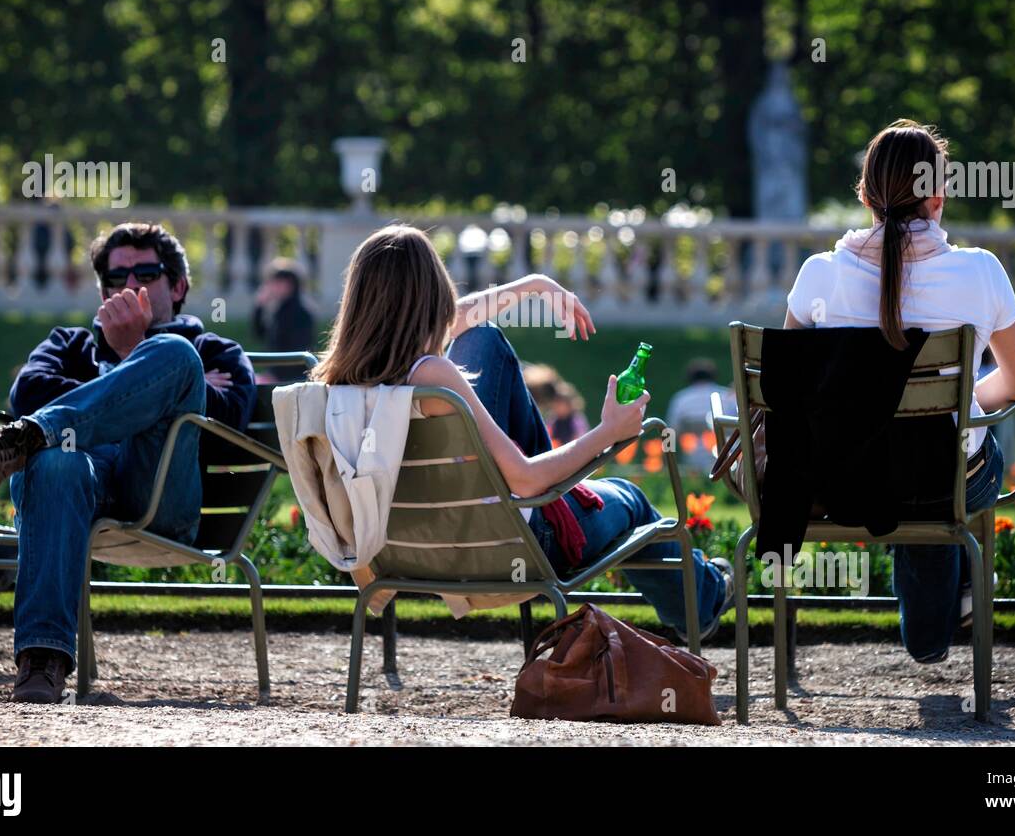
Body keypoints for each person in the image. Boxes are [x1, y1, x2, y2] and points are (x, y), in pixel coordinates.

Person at [310, 225, 735, 643]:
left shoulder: (335, 387)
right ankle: (708, 599)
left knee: (483, 336)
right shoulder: (433, 376)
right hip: (510, 544)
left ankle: (702, 593)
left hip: (402, 551)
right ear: (432, 294)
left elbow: (451, 323)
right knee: (634, 502)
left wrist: (532, 285)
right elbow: (526, 480)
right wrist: (608, 432)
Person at [0, 222, 256, 704]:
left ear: (177, 286)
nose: (129, 287)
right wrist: (133, 399)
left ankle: (24, 439)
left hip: (158, 500)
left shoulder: (212, 353)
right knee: (54, 465)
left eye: (145, 274)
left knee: (173, 355)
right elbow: (27, 391)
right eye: (115, 279)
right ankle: (42, 659)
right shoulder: (69, 344)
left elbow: (228, 424)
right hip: (77, 491)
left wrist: (137, 354)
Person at [783, 119, 1015, 665]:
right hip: (942, 476)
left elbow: (788, 391)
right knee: (943, 457)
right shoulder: (982, 271)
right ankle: (960, 586)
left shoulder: (817, 275)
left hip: (848, 477)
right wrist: (954, 406)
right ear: (939, 197)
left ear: (865, 197)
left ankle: (938, 614)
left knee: (890, 453)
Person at [665, 358, 737, 468]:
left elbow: (670, 431)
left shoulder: (680, 398)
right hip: (727, 454)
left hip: (692, 456)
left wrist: (667, 459)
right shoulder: (726, 395)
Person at [252, 257, 316, 360]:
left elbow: (297, 351)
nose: (272, 287)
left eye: (277, 282)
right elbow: (260, 334)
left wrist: (275, 375)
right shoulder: (280, 310)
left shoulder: (300, 312)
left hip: (292, 374)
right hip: (277, 371)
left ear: (290, 285)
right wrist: (260, 306)